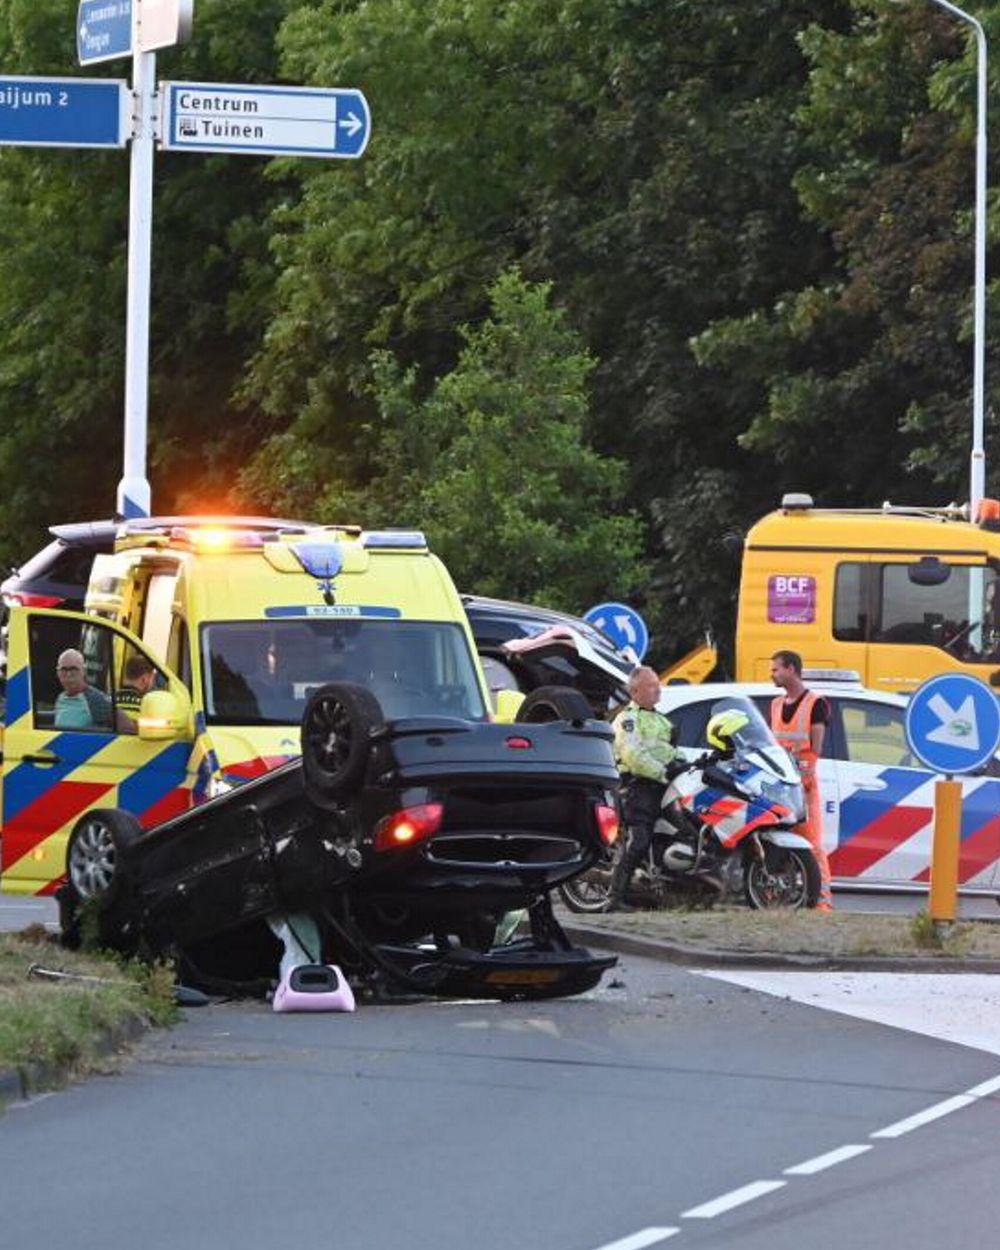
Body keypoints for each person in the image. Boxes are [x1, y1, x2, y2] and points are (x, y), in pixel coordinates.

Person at [605, 665, 679, 912]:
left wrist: (687, 764)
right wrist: (662, 772)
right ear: (635, 691)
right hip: (638, 786)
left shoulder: (661, 719)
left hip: (661, 785)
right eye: (651, 685)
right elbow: (633, 754)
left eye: (658, 683)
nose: (658, 689)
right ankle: (615, 898)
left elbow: (668, 751)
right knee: (639, 840)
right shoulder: (628, 719)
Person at [769, 649, 834, 912]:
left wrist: (804, 777)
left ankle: (822, 902)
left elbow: (815, 750)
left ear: (791, 669)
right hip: (777, 783)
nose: (772, 674)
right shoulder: (775, 704)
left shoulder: (816, 704)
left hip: (803, 785)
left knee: (812, 845)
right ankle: (775, 896)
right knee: (776, 842)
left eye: (776, 669)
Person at [54, 649, 113, 730]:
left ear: (84, 671)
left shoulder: (95, 699)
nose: (68, 674)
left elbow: (127, 727)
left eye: (73, 669)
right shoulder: (60, 698)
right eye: (64, 669)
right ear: (58, 673)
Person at [115, 654, 157, 729]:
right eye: (152, 679)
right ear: (144, 679)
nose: (152, 683)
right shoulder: (145, 706)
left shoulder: (110, 700)